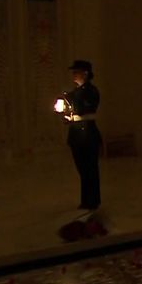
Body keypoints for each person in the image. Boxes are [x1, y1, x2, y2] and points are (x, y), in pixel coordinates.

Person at [57, 60, 102, 213]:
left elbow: (86, 109)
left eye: (77, 72)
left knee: (90, 169)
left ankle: (93, 201)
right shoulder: (75, 92)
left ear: (85, 74)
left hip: (87, 135)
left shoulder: (91, 91)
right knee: (82, 169)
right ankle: (86, 200)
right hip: (77, 135)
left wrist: (72, 112)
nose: (74, 75)